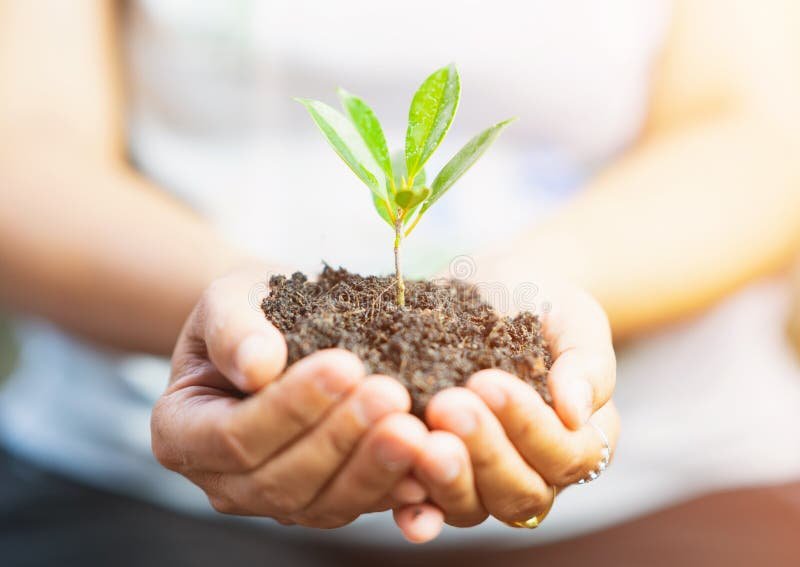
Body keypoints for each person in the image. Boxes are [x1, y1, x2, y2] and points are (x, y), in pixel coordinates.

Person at [0, 1, 799, 566]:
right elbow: (26, 147)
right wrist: (230, 305)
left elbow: (760, 131)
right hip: (127, 477)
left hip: (677, 473)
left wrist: (550, 282)